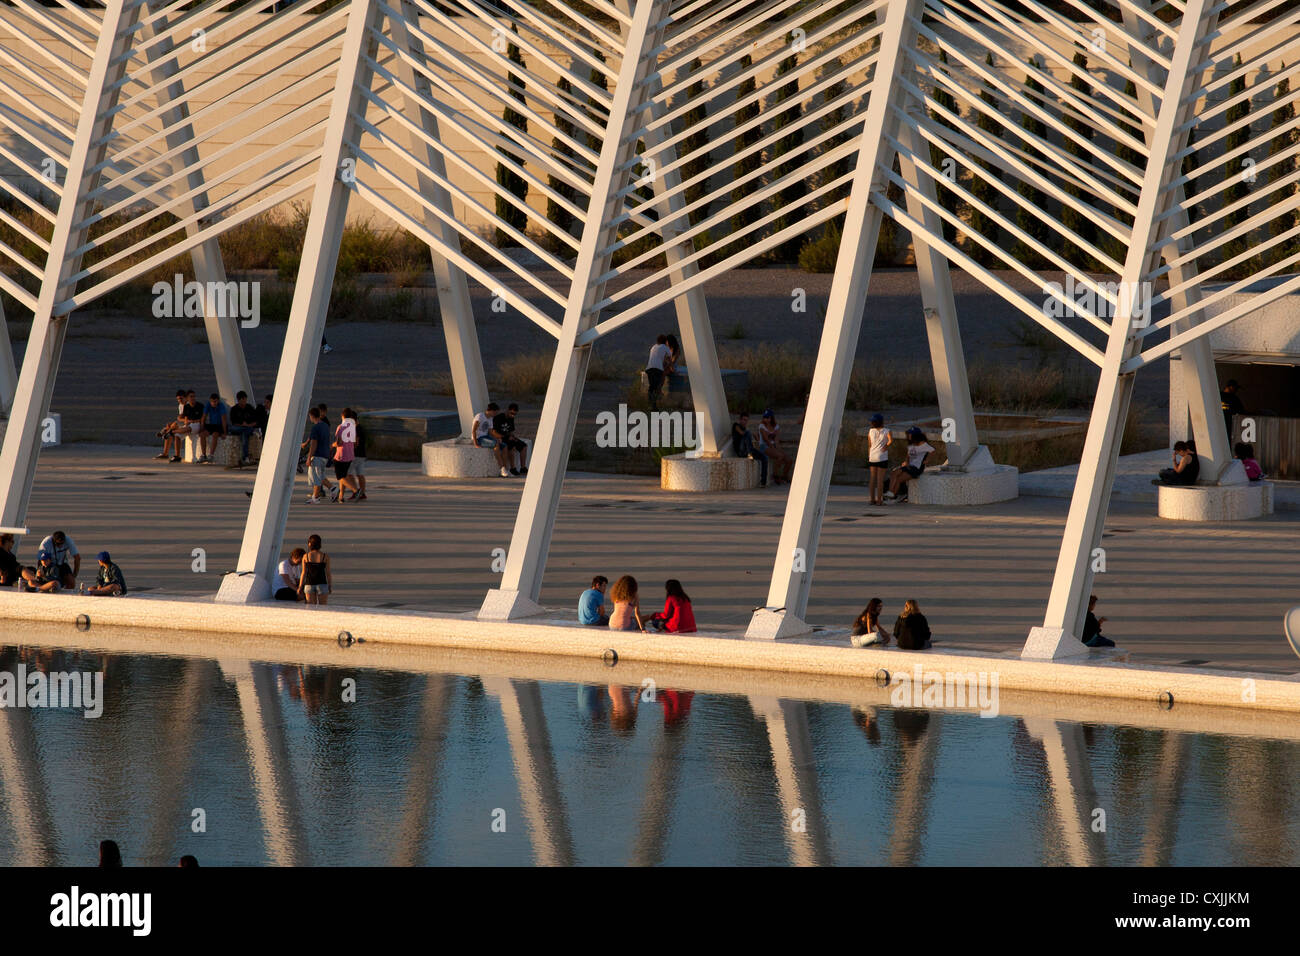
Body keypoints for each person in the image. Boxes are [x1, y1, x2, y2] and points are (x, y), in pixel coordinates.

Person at [886, 428, 934, 503]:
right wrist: (906, 462)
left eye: (910, 434)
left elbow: (932, 451)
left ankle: (892, 495)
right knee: (894, 473)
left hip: (916, 468)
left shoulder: (923, 444)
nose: (909, 435)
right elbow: (908, 456)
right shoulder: (911, 445)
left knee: (898, 479)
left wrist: (927, 460)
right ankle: (891, 493)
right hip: (909, 466)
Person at [302, 407, 334, 503]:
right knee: (320, 475)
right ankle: (333, 489)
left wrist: (308, 457)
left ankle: (315, 497)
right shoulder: (325, 426)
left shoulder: (315, 428)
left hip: (317, 455)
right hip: (325, 454)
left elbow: (314, 443)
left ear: (311, 416)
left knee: (315, 477)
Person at [731, 412, 768, 487]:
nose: (745, 422)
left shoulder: (746, 430)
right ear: (740, 420)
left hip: (748, 449)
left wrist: (755, 436)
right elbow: (741, 433)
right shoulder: (736, 425)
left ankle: (763, 482)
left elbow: (756, 440)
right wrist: (750, 433)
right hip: (741, 451)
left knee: (765, 458)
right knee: (748, 432)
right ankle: (750, 453)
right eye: (744, 420)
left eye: (746, 420)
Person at [491, 402, 528, 477]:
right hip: (500, 437)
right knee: (511, 447)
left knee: (524, 446)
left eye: (514, 414)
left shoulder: (511, 418)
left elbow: (511, 431)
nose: (512, 415)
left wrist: (513, 437)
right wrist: (504, 437)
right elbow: (493, 432)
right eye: (511, 413)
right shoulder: (499, 418)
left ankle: (523, 468)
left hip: (508, 437)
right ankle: (512, 468)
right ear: (508, 410)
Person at [331, 408, 359, 505]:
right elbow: (355, 443)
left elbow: (339, 442)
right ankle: (341, 497)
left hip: (340, 455)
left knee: (340, 477)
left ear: (342, 416)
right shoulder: (352, 427)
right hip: (349, 455)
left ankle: (355, 490)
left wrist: (332, 445)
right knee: (344, 475)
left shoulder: (340, 427)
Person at [473, 401, 510, 475]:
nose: (496, 414)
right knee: (496, 445)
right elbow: (473, 430)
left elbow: (490, 432)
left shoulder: (490, 419)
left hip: (486, 437)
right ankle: (501, 469)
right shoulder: (480, 416)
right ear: (491, 411)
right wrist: (475, 443)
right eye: (495, 412)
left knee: (504, 446)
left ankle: (506, 469)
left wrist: (497, 438)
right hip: (479, 438)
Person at [758, 409, 790, 485]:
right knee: (780, 456)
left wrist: (778, 449)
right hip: (764, 446)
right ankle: (775, 475)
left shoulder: (776, 427)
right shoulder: (761, 426)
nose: (766, 419)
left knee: (789, 460)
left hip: (774, 445)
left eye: (768, 417)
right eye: (765, 417)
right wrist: (775, 450)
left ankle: (784, 476)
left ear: (772, 418)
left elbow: (776, 440)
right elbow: (766, 440)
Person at [155, 388, 189, 460]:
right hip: (182, 424)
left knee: (172, 430)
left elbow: (186, 419)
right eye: (178, 399)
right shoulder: (180, 405)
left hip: (188, 425)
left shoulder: (189, 405)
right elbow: (181, 418)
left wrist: (178, 420)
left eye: (181, 398)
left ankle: (165, 430)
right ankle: (165, 454)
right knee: (169, 432)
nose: (180, 401)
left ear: (186, 398)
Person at [866, 413, 891, 506]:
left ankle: (872, 500)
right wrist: (886, 445)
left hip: (872, 457)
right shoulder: (887, 431)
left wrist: (869, 455)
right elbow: (890, 440)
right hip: (882, 456)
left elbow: (869, 445)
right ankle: (879, 501)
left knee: (872, 479)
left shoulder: (870, 431)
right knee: (880, 480)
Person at [228, 390, 259, 465]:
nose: (244, 402)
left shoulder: (250, 408)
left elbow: (255, 421)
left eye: (245, 400)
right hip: (239, 427)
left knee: (245, 433)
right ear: (239, 400)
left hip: (248, 427)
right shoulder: (234, 409)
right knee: (233, 428)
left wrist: (248, 425)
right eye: (243, 400)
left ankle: (245, 457)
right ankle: (246, 457)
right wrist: (242, 425)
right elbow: (234, 423)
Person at [299, 534, 331, 605]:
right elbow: (328, 573)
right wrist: (330, 586)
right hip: (322, 584)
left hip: (309, 584)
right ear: (320, 544)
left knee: (310, 609)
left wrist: (300, 587)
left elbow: (303, 573)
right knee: (323, 608)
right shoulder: (325, 556)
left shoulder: (305, 556)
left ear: (309, 544)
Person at [198, 392, 229, 463]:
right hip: (212, 425)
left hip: (220, 425)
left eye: (215, 401)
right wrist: (201, 428)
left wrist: (224, 432)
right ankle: (203, 455)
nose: (213, 403)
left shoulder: (221, 406)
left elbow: (224, 419)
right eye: (212, 402)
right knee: (202, 435)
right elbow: (203, 417)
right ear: (210, 401)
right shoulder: (208, 405)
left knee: (215, 435)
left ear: (218, 401)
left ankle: (211, 455)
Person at [645, 334, 670, 411]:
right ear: (665, 341)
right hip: (658, 369)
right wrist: (671, 367)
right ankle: (653, 406)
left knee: (651, 386)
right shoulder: (666, 347)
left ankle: (650, 403)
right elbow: (669, 358)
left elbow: (657, 357)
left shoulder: (653, 347)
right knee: (656, 387)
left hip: (649, 368)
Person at [350, 415, 369, 500]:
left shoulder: (356, 429)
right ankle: (362, 493)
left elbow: (355, 442)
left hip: (356, 454)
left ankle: (355, 491)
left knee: (348, 473)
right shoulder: (361, 428)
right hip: (362, 454)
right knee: (360, 474)